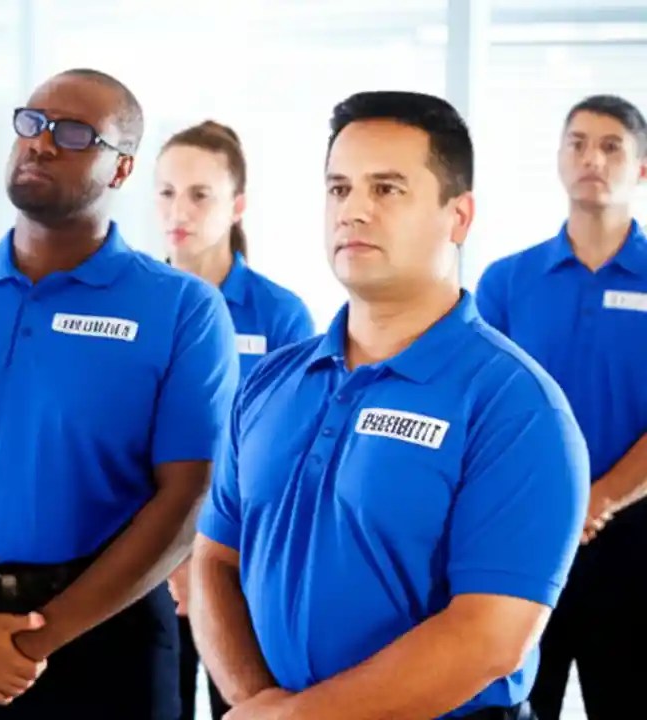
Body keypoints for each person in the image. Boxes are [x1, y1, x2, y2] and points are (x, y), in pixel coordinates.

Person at [0, 68, 240, 720]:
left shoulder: (182, 309)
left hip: (104, 638)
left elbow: (190, 492)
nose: (42, 142)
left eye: (75, 133)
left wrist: (40, 636)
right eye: (31, 122)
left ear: (120, 171)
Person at [191, 90, 589, 720]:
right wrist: (257, 703)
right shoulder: (269, 384)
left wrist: (297, 718)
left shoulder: (517, 407)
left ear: (458, 216)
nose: (353, 211)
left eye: (386, 189)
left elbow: (490, 638)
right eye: (339, 188)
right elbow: (214, 560)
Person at [475, 94, 647, 720]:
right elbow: (485, 407)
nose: (591, 158)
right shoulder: (506, 281)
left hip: (633, 538)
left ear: (641, 169)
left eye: (610, 147)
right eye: (577, 143)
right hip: (524, 533)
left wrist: (601, 499)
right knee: (515, 702)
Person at [154, 120, 315, 720]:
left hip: (245, 564)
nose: (180, 210)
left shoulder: (281, 315)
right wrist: (168, 556)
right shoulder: (134, 304)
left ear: (237, 205)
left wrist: (211, 556)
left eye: (200, 194)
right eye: (167, 191)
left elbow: (290, 453)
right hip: (143, 563)